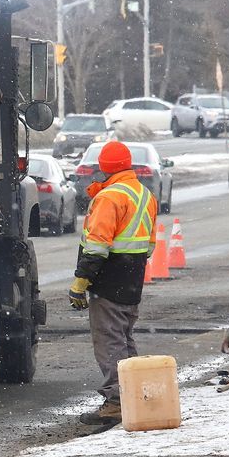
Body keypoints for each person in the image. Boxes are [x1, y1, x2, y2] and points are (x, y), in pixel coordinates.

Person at [69, 140, 157, 425]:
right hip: (132, 278)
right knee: (124, 339)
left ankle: (117, 402)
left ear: (104, 167)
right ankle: (135, 398)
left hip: (109, 279)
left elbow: (96, 247)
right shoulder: (144, 195)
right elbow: (149, 245)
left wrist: (81, 282)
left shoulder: (109, 197)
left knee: (110, 341)